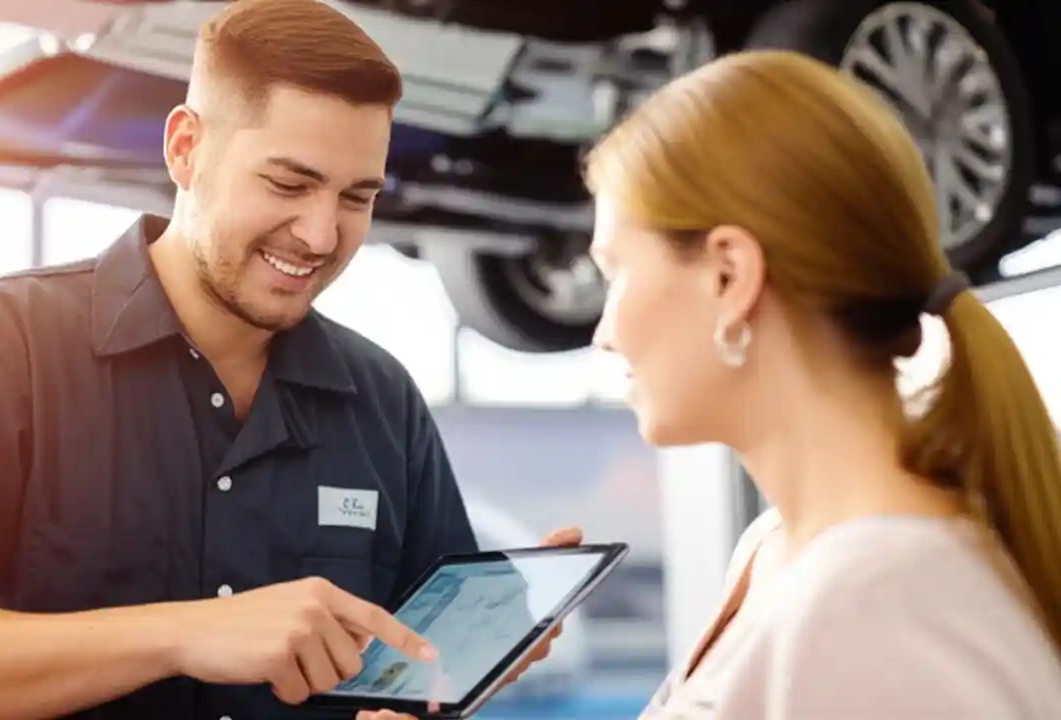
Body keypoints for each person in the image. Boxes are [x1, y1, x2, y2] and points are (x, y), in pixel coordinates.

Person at [0, 1, 576, 718]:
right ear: (185, 147)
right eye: (288, 182)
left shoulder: (381, 398)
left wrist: (473, 656)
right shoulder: (5, 345)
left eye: (356, 197)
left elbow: (412, 670)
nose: (319, 234)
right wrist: (184, 632)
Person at [363, 48, 1061, 720]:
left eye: (614, 272)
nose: (604, 332)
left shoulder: (883, 600)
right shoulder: (777, 551)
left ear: (729, 275)